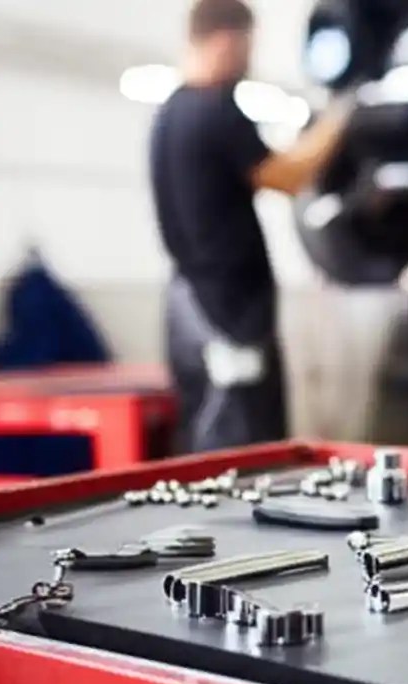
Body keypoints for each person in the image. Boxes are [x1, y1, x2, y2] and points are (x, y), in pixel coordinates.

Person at [150, 0, 353, 452]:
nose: (249, 58)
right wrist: (341, 120)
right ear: (227, 39)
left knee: (203, 434)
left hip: (188, 302)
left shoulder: (170, 112)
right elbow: (285, 176)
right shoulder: (216, 110)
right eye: (248, 45)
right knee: (245, 446)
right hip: (228, 310)